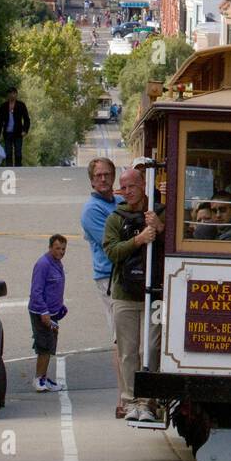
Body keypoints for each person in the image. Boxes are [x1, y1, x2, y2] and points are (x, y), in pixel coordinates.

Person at [103, 167, 164, 422]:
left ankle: (149, 401)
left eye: (132, 186)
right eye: (123, 187)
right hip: (124, 294)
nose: (127, 192)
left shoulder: (159, 214)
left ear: (144, 185)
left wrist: (159, 228)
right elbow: (112, 252)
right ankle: (130, 402)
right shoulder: (116, 218)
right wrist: (139, 240)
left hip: (155, 293)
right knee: (128, 350)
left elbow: (177, 245)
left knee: (151, 348)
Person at [80, 157, 125, 417]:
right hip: (109, 277)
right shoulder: (92, 211)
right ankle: (123, 399)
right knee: (121, 337)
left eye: (108, 174)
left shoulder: (119, 202)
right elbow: (113, 245)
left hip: (126, 276)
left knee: (132, 338)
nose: (104, 179)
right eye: (98, 175)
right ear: (91, 179)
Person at [28, 235, 68, 393]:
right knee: (44, 346)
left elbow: (54, 288)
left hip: (53, 313)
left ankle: (44, 377)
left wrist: (59, 307)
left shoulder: (57, 263)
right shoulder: (43, 264)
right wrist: (44, 312)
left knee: (50, 345)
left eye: (63, 249)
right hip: (41, 313)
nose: (61, 252)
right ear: (50, 247)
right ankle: (39, 378)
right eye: (58, 248)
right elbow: (36, 291)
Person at [0, 87, 30, 166]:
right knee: (8, 154)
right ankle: (9, 170)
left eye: (13, 93)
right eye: (10, 93)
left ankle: (18, 168)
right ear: (8, 95)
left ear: (16, 94)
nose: (12, 95)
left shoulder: (21, 105)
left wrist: (25, 130)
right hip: (7, 133)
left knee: (18, 154)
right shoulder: (3, 106)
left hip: (18, 133)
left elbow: (26, 119)